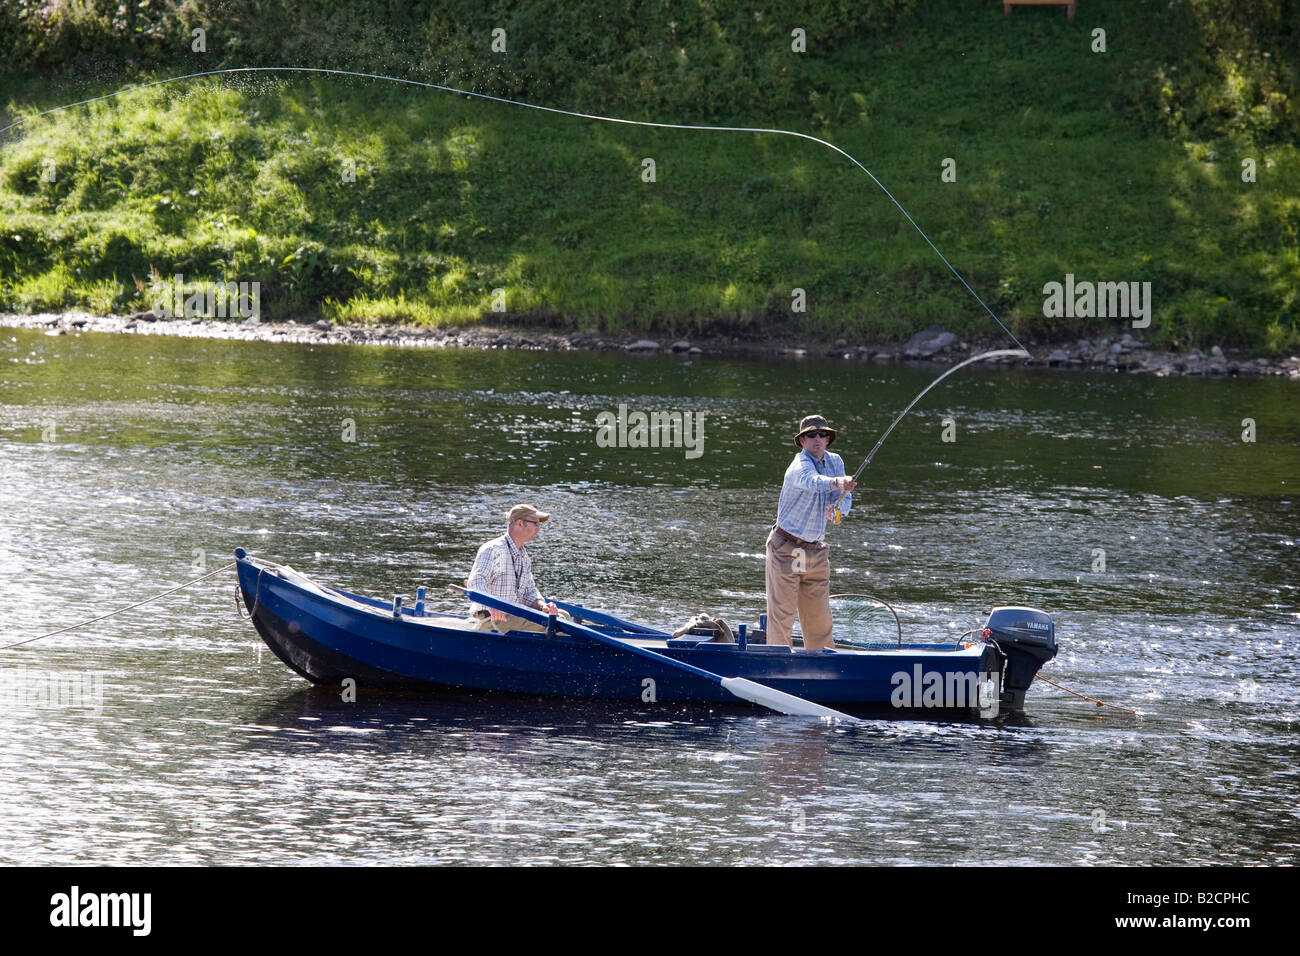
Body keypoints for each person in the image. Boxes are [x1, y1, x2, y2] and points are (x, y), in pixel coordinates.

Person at [765, 415, 857, 651]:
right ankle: (777, 663)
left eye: (822, 434)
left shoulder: (835, 461)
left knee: (820, 619)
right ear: (802, 441)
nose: (817, 438)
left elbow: (843, 500)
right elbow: (812, 481)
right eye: (811, 434)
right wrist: (839, 482)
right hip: (786, 547)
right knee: (783, 614)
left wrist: (837, 510)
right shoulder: (799, 465)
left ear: (828, 439)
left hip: (815, 550)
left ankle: (821, 665)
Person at [465, 504, 566, 632]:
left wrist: (543, 606)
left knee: (563, 615)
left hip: (514, 616)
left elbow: (529, 592)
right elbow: (475, 582)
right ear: (520, 523)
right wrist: (492, 605)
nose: (538, 528)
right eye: (535, 523)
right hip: (495, 618)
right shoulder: (493, 549)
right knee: (559, 623)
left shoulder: (524, 556)